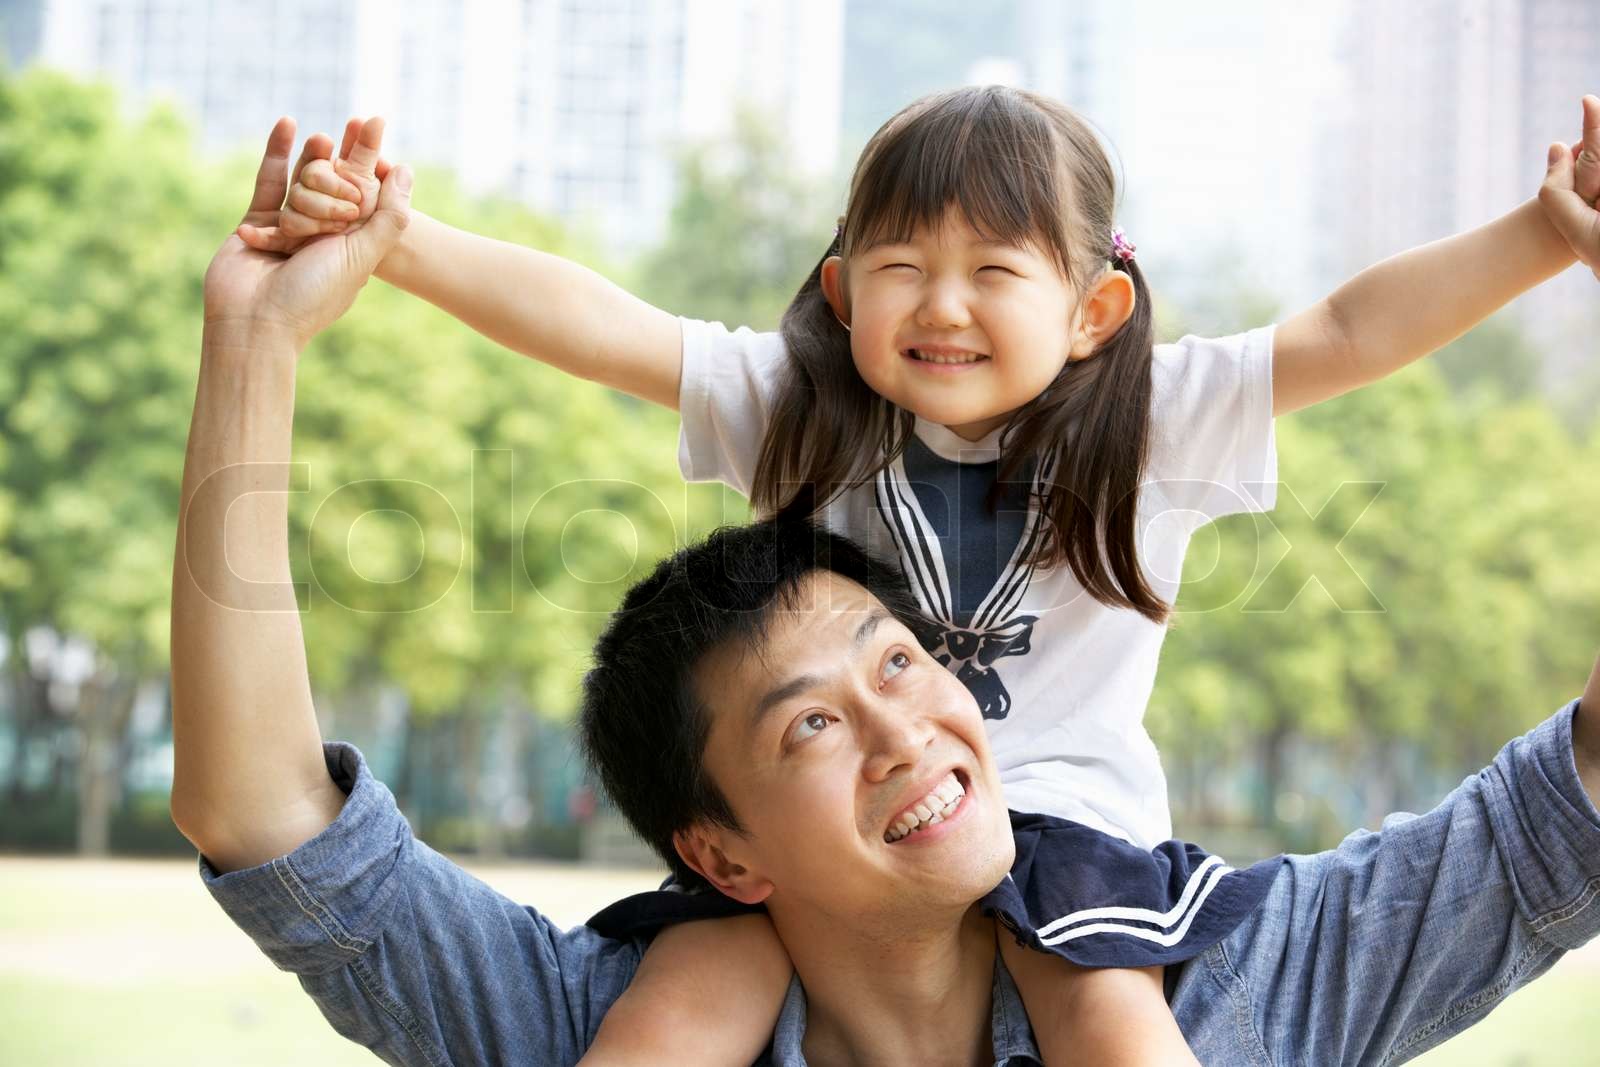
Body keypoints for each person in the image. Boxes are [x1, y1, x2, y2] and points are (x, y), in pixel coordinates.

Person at [239, 86, 1600, 1063]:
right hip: (833, 847)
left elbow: (1352, 326)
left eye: (991, 270)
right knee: (693, 982)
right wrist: (406, 246)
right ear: (842, 292)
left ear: (1092, 306)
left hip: (1062, 831)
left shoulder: (1160, 416)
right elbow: (612, 331)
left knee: (1108, 1016)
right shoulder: (804, 410)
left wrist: (1547, 235)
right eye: (902, 267)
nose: (940, 305)